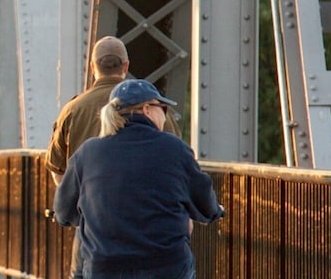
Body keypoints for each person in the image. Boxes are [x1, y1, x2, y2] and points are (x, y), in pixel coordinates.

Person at [54, 79, 223, 279]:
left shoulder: (87, 153)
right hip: (165, 267)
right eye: (163, 108)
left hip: (106, 269)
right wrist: (214, 211)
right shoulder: (175, 149)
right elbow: (204, 204)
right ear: (146, 109)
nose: (165, 115)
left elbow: (63, 212)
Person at [44, 36, 133, 275]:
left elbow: (57, 169)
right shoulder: (150, 107)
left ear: (92, 67)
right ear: (125, 66)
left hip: (92, 223)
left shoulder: (73, 109)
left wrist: (74, 202)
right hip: (144, 226)